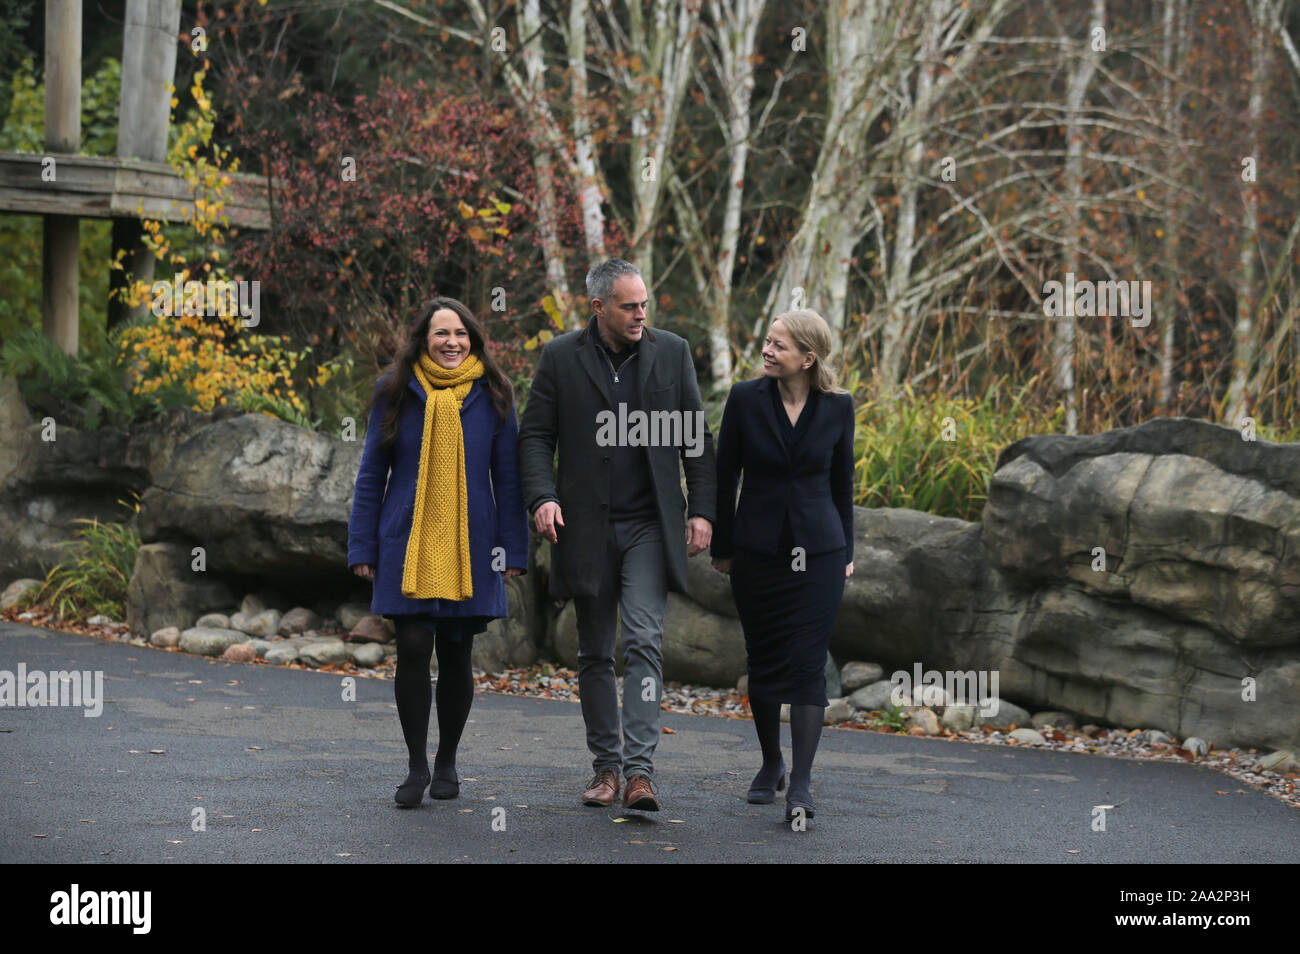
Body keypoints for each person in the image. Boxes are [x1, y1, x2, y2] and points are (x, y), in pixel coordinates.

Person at [519, 258, 716, 812]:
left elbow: (695, 437)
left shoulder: (672, 352)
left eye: (645, 304)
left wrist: (702, 510)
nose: (640, 315)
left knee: (645, 641)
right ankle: (605, 768)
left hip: (651, 525)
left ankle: (640, 773)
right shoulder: (561, 357)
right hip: (584, 527)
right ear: (598, 306)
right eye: (629, 306)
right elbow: (535, 437)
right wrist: (543, 497)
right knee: (593, 651)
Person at [347, 296, 528, 808]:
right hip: (406, 541)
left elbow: (508, 480)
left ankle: (448, 760)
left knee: (456, 651)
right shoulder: (394, 392)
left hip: (472, 544)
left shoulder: (494, 393)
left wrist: (512, 548)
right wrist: (361, 545)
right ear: (422, 340)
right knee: (410, 649)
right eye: (441, 334)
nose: (452, 342)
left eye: (462, 334)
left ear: (474, 340)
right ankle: (415, 766)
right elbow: (370, 475)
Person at [711, 309, 855, 821]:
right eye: (767, 341)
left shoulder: (838, 407)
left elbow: (843, 483)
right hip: (757, 552)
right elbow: (725, 476)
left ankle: (802, 781)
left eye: (780, 346)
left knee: (808, 662)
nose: (768, 351)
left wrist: (848, 553)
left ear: (808, 358)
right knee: (765, 658)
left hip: (820, 553)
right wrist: (722, 550)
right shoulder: (745, 400)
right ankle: (770, 762)